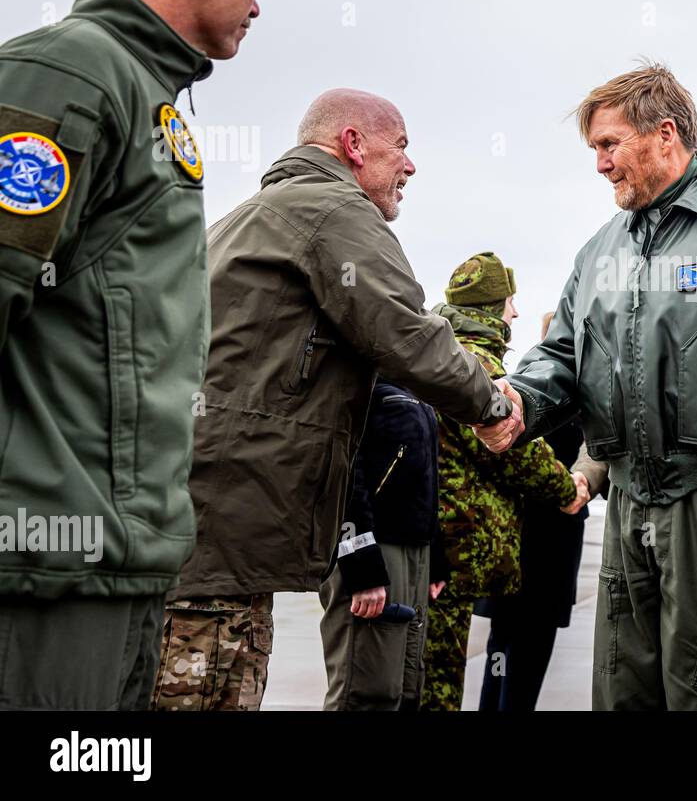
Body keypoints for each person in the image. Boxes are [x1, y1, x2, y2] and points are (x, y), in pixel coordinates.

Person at [151, 90, 517, 711]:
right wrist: (493, 406)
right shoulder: (331, 210)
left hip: (200, 517)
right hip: (224, 538)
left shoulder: (254, 213)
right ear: (352, 145)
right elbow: (406, 333)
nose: (410, 166)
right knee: (208, 687)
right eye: (399, 146)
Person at [0, 0, 264, 710]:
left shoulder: (149, 92)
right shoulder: (69, 74)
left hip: (122, 564)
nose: (258, 4)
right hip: (44, 570)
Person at [476, 65, 697, 710]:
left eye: (609, 144)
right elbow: (561, 355)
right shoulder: (600, 251)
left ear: (664, 135)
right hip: (627, 504)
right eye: (593, 150)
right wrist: (518, 400)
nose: (599, 165)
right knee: (620, 690)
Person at [421, 254, 585, 711]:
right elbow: (515, 448)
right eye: (510, 302)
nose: (514, 313)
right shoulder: (476, 366)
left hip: (429, 544)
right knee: (436, 685)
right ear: (492, 306)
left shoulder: (433, 351)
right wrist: (568, 490)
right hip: (453, 547)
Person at [476, 311, 595, 711]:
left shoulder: (522, 393)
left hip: (514, 543)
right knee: (529, 653)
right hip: (548, 549)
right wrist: (576, 486)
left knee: (502, 650)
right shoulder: (570, 404)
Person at [318, 380, 442, 710]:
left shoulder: (409, 381)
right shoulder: (355, 381)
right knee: (365, 692)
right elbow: (341, 478)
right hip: (377, 553)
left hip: (411, 553)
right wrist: (363, 568)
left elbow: (422, 476)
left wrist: (435, 556)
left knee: (404, 688)